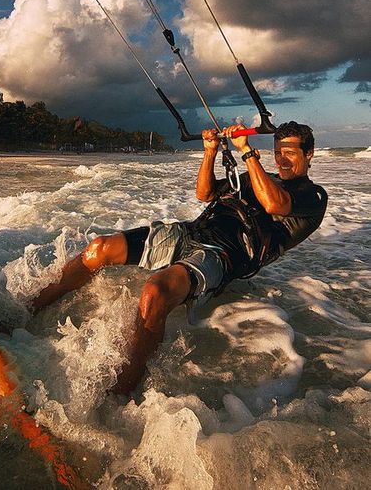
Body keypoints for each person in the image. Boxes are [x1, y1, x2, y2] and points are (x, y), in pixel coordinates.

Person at [33, 121, 327, 395]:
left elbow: (274, 202)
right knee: (99, 248)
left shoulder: (313, 196)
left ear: (309, 154)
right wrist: (210, 152)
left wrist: (248, 153)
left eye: (289, 153)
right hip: (191, 232)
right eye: (278, 153)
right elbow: (205, 193)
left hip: (221, 256)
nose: (281, 160)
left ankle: (124, 387)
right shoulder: (257, 177)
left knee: (155, 292)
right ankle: (29, 308)